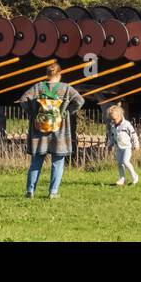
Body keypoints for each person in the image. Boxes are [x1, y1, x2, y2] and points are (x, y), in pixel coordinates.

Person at [18, 62, 84, 198]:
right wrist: (67, 112)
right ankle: (53, 192)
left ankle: (30, 191)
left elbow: (23, 99)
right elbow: (80, 101)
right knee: (57, 163)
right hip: (59, 130)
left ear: (47, 74)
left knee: (36, 162)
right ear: (60, 74)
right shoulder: (66, 88)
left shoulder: (38, 87)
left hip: (39, 131)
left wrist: (32, 114)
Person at [105, 103, 140, 186]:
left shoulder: (126, 124)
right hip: (118, 148)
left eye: (114, 119)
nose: (112, 121)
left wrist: (136, 144)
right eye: (111, 119)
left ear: (120, 116)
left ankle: (135, 177)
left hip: (127, 147)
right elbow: (112, 136)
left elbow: (133, 134)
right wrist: (110, 145)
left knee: (125, 161)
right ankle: (122, 178)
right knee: (120, 163)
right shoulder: (113, 125)